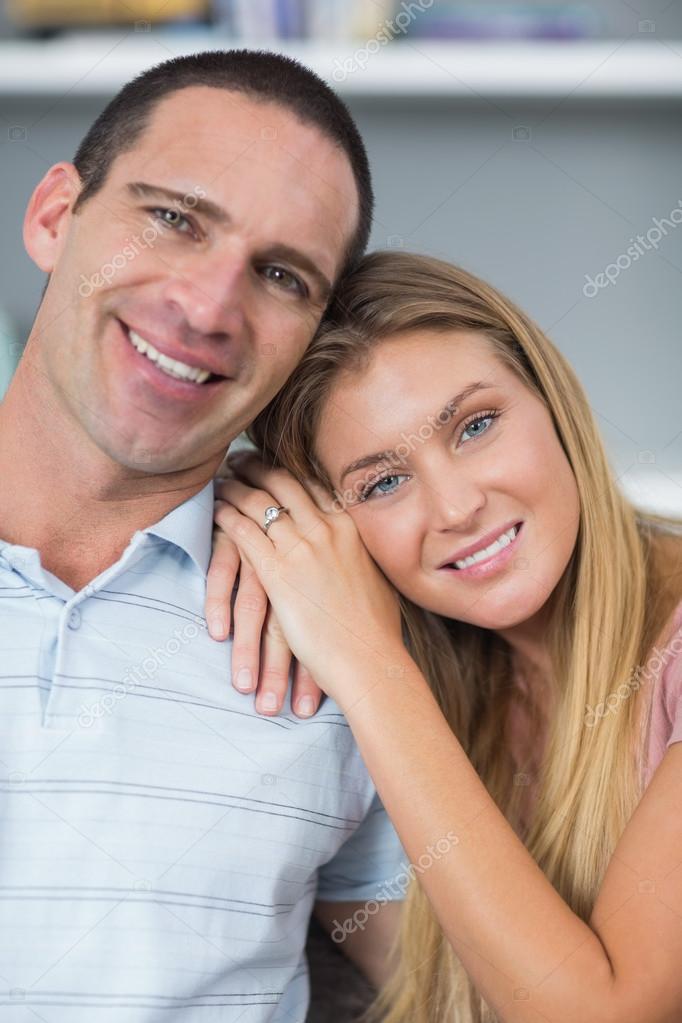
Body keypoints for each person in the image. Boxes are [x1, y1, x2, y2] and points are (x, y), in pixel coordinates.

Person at [0, 51, 406, 1021]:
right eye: (174, 218)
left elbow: (473, 998)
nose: (208, 308)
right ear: (56, 216)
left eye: (280, 275)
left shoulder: (336, 625)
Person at [210, 250, 682, 1023]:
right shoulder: (434, 708)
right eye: (383, 482)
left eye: (476, 425)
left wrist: (368, 665)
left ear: (552, 399)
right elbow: (451, 999)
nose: (457, 506)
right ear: (335, 532)